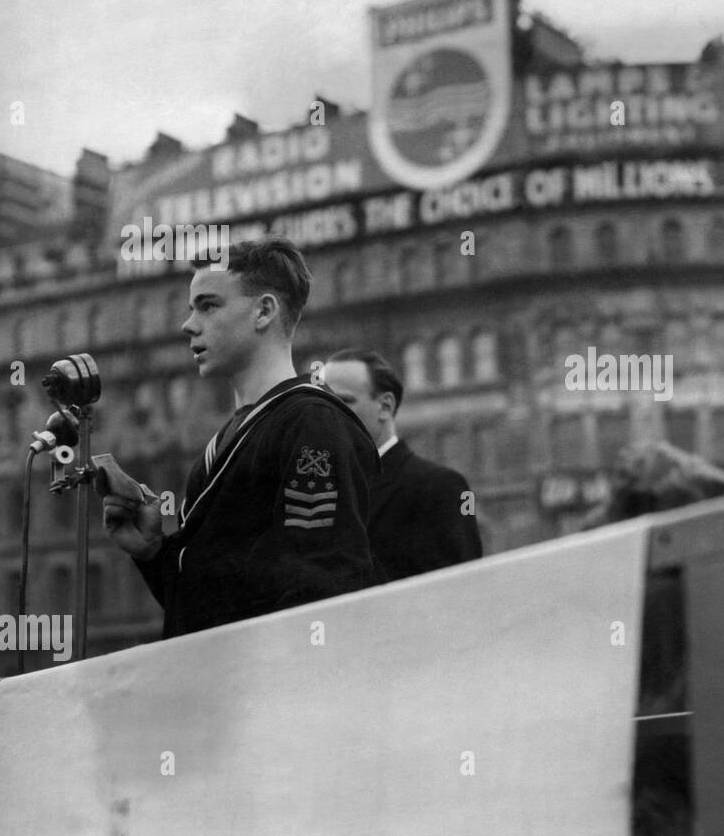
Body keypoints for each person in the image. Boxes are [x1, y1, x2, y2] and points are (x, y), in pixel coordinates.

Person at [101, 238, 378, 638]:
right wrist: (153, 552)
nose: (187, 324)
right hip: (222, 688)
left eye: (208, 305)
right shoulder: (223, 442)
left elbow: (319, 589)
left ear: (264, 311)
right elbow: (207, 608)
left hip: (275, 691)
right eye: (190, 308)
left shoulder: (311, 425)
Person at [320, 349, 482, 581]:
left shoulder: (443, 487)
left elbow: (459, 587)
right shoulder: (318, 492)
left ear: (385, 406)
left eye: (344, 401)